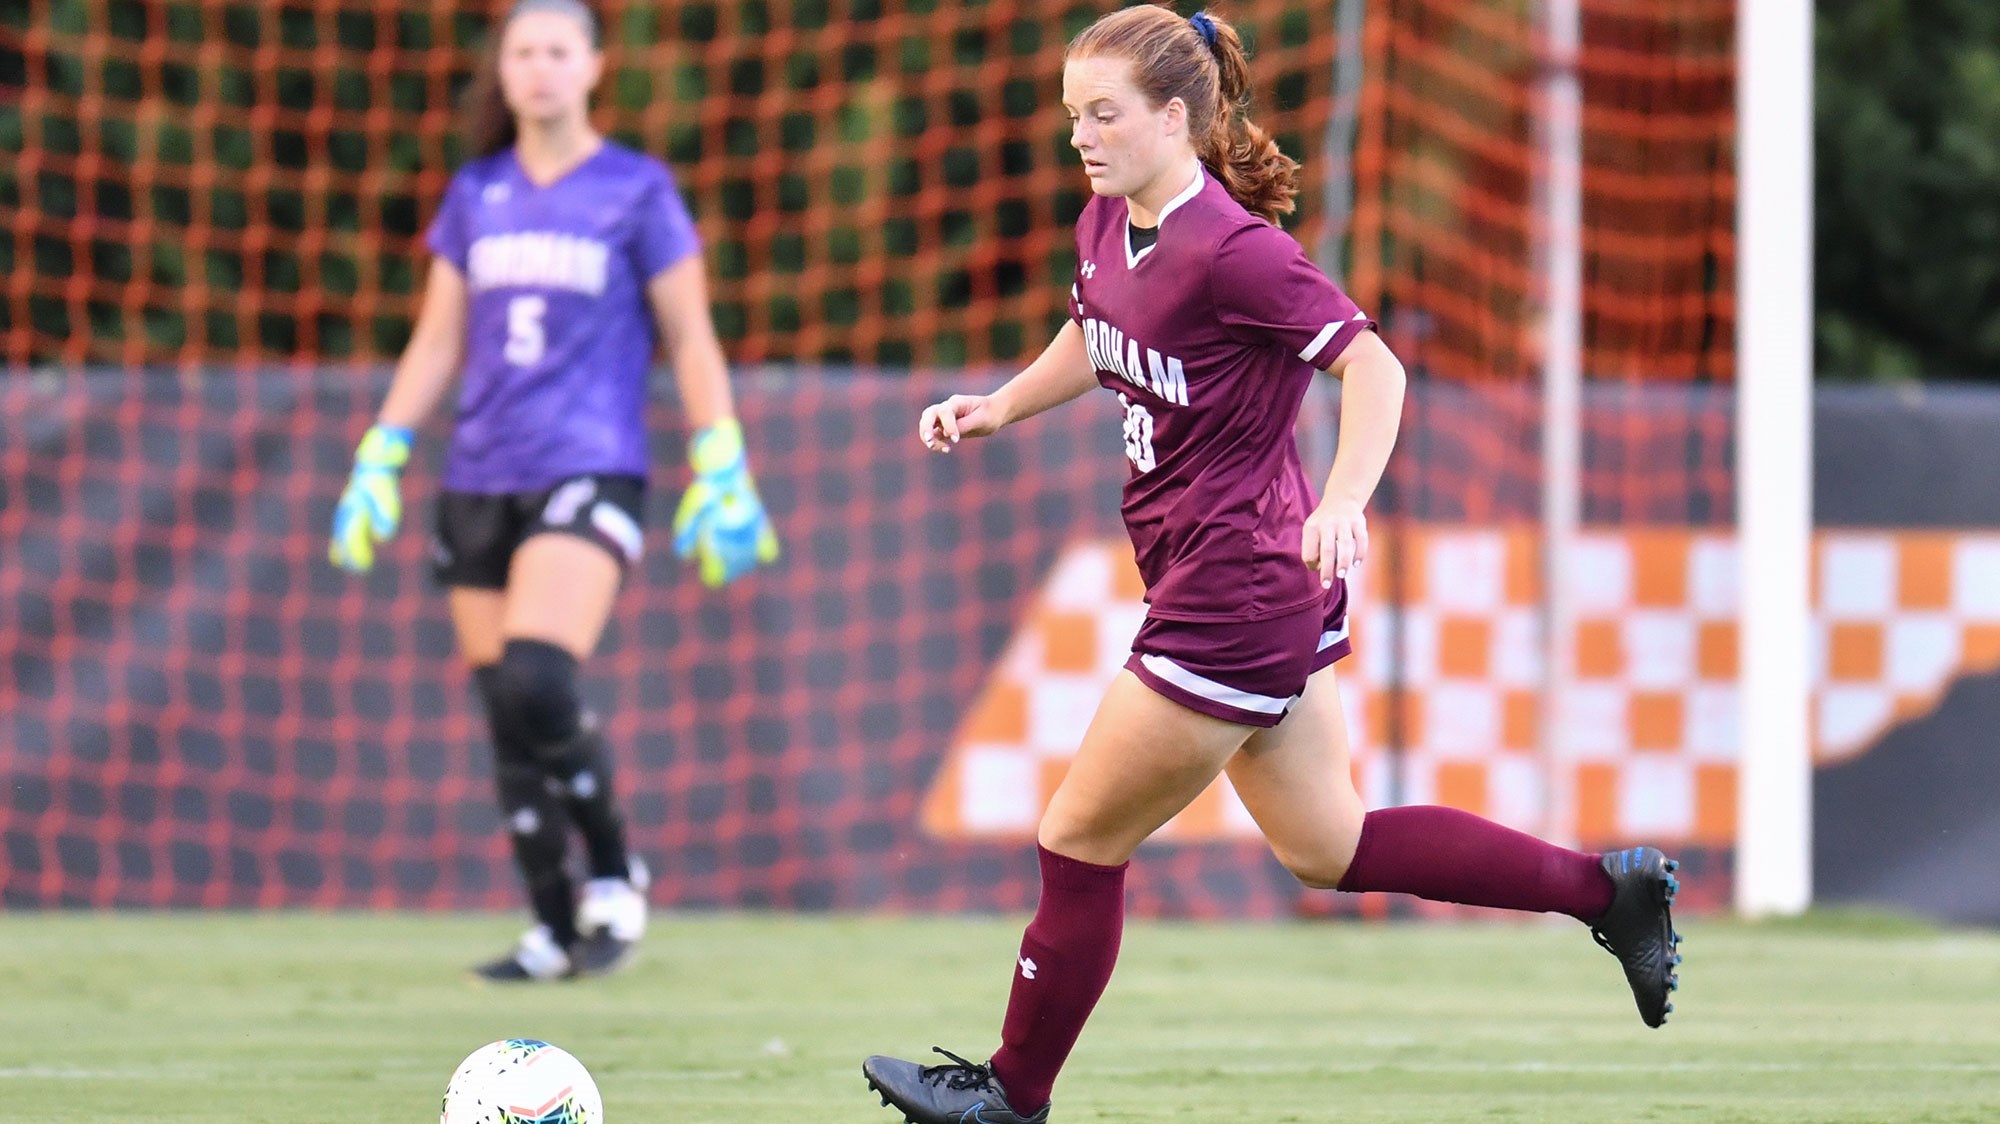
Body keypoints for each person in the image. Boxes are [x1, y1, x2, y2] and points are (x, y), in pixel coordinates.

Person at [862, 7, 1680, 1121]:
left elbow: (1375, 368)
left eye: (1102, 115)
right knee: (1326, 846)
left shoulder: (1236, 250)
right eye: (1071, 116)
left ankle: (1010, 1092)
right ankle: (1607, 890)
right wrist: (998, 404)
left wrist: (1344, 499)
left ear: (1174, 116)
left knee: (1077, 834)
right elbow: (1090, 331)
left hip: (1234, 589)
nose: (1080, 138)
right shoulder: (1107, 220)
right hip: (1229, 583)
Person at [328, 0, 778, 982]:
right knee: (505, 708)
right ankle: (551, 927)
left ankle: (615, 871)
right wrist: (380, 451)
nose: (537, 68)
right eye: (521, 51)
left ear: (591, 66)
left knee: (538, 672)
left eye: (556, 50)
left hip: (587, 465)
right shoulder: (476, 191)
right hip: (478, 474)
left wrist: (722, 457)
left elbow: (691, 336)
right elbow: (439, 338)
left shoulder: (635, 189)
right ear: (502, 69)